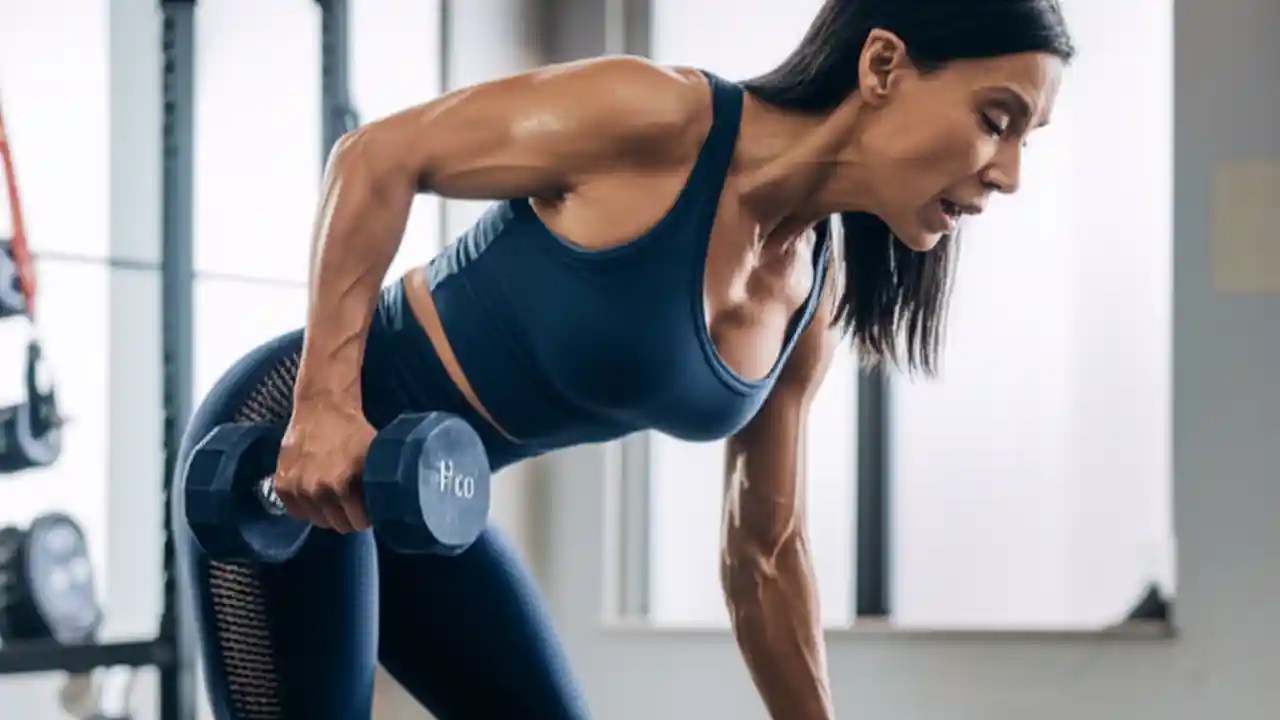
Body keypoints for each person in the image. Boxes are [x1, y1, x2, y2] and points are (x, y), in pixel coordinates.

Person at [170, 0, 1075, 717]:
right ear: (882, 66)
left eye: (1025, 141)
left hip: (432, 498)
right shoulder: (661, 119)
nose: (1009, 175)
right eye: (996, 120)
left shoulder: (813, 293)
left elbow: (764, 553)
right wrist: (327, 407)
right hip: (292, 443)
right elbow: (376, 156)